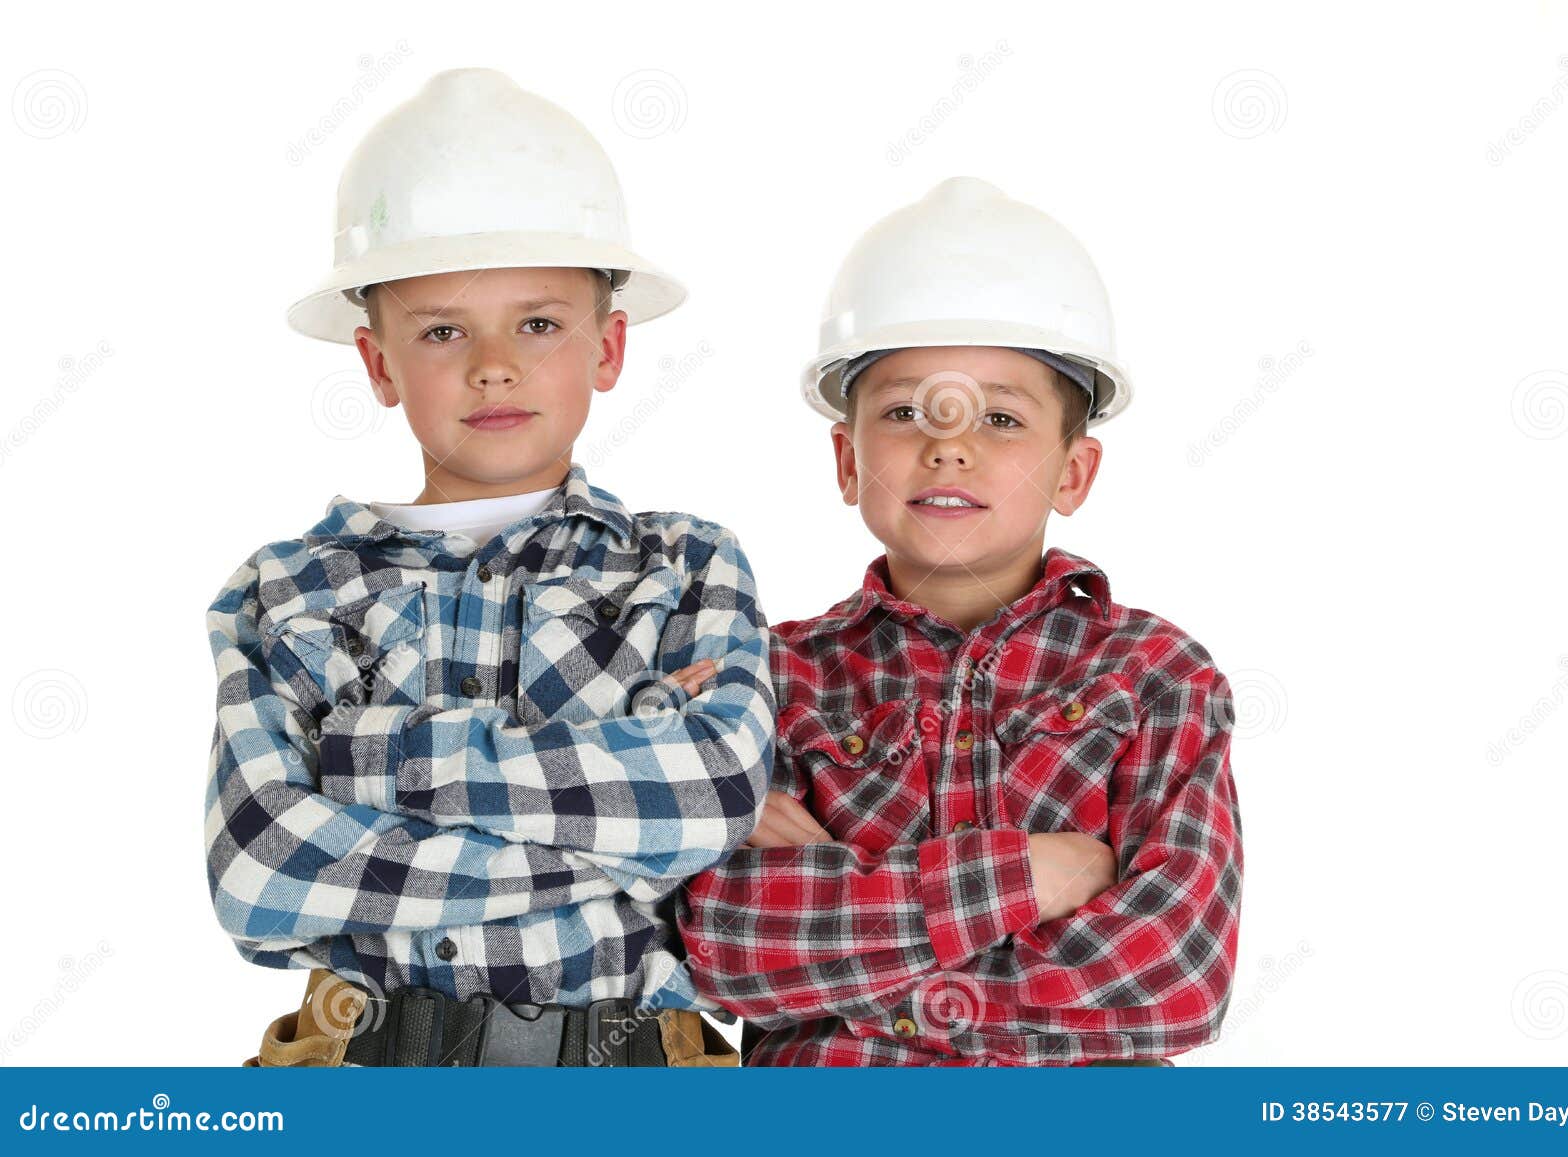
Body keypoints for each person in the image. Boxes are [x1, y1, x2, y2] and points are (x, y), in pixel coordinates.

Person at [205, 68, 771, 1068]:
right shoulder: (288, 589)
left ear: (610, 345)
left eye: (539, 322)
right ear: (378, 363)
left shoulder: (683, 564)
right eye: (441, 330)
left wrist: (368, 762)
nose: (493, 363)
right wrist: (618, 849)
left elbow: (712, 798)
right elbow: (263, 871)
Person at [678, 178, 1242, 1067]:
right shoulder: (769, 677)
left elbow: (1173, 975)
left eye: (1003, 417)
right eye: (904, 411)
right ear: (846, 457)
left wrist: (847, 951)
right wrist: (1031, 877)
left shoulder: (1156, 676)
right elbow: (728, 945)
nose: (949, 445)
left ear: (1073, 472)